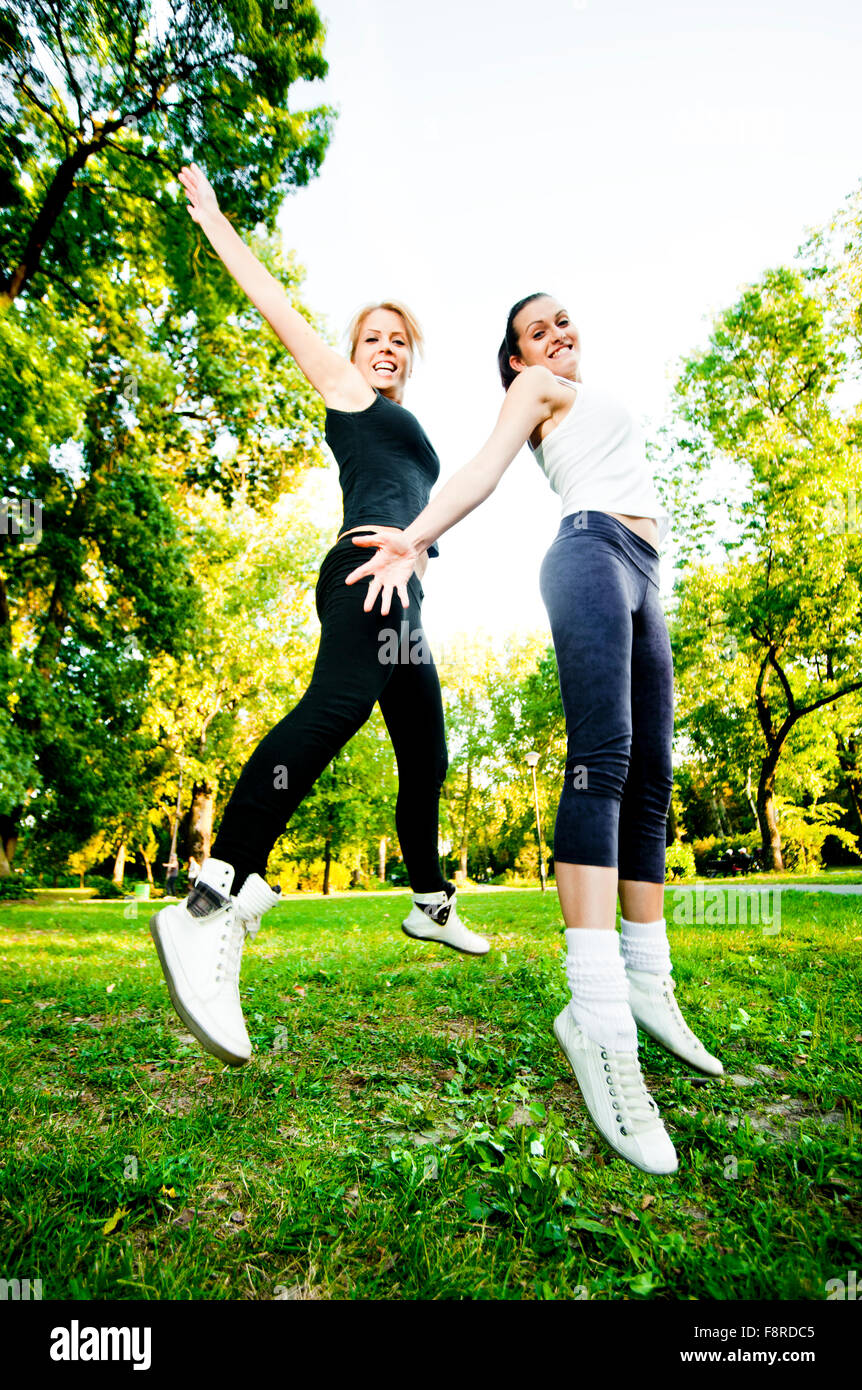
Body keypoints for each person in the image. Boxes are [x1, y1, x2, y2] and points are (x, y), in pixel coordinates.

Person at [347, 293, 723, 1176]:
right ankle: (595, 1016)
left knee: (653, 781)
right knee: (603, 762)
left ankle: (647, 981)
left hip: (642, 571)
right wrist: (413, 536)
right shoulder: (536, 392)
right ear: (517, 359)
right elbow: (480, 468)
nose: (557, 334)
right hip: (588, 553)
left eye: (563, 320)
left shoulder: (585, 393)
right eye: (535, 331)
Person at [150, 164, 488, 1070]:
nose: (384, 349)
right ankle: (215, 895)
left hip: (401, 590)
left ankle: (430, 901)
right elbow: (271, 302)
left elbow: (423, 502)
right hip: (363, 579)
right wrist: (216, 219)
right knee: (335, 709)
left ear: (409, 357)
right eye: (372, 337)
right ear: (353, 349)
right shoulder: (346, 391)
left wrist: (418, 542)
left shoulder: (401, 420)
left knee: (427, 754)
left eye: (396, 342)